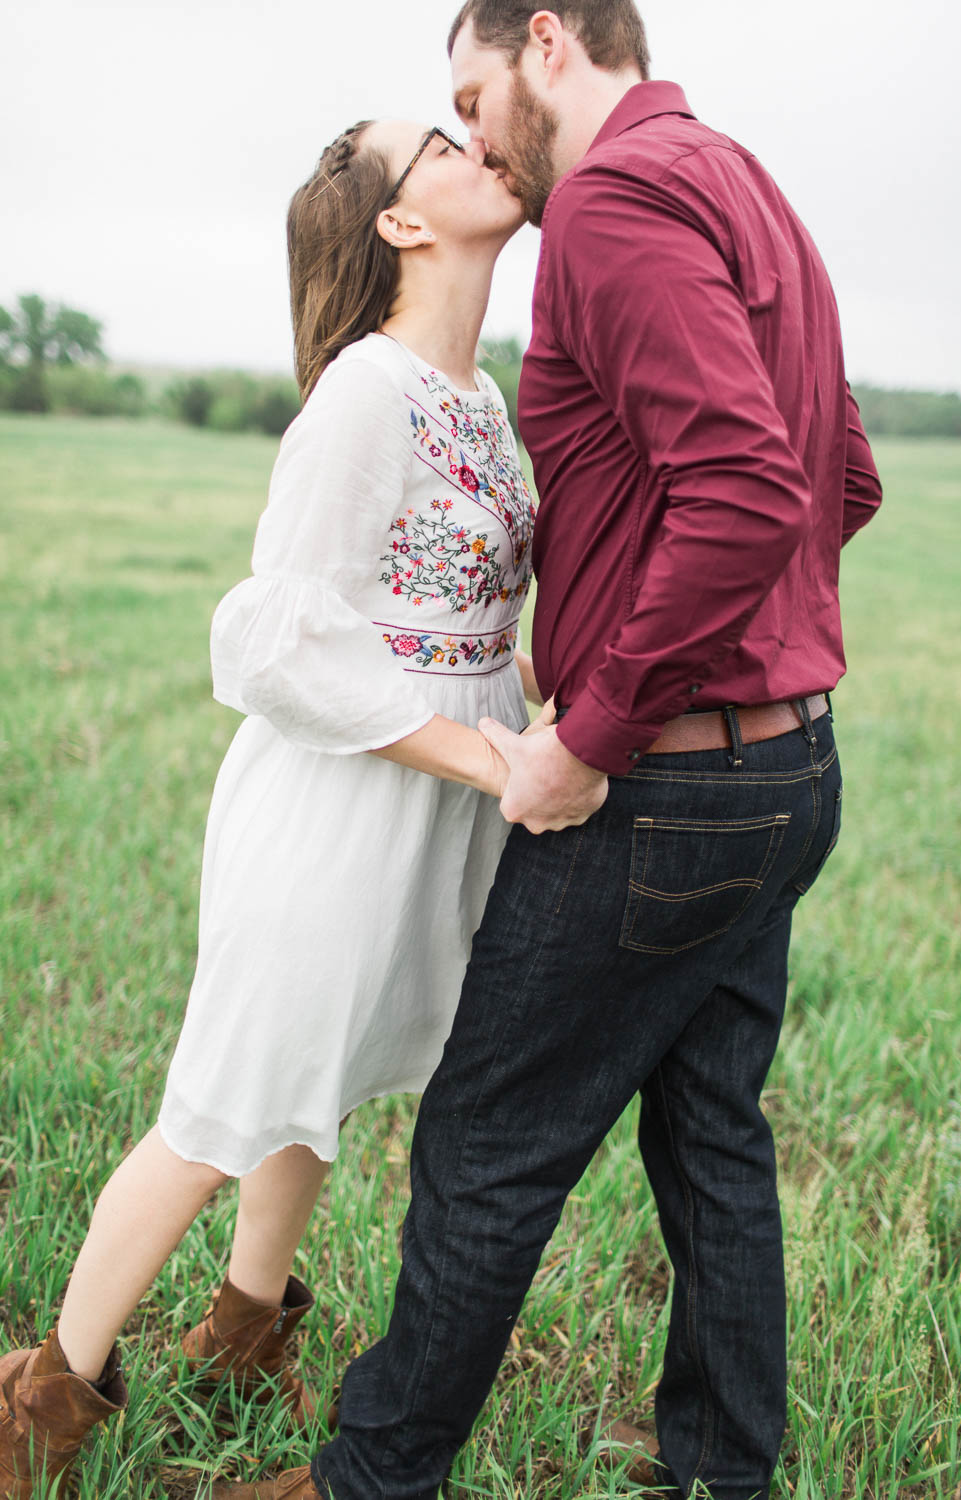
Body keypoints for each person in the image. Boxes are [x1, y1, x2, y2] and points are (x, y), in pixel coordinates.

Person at [205, 3, 884, 1499]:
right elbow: (843, 475)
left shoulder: (611, 206)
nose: (475, 129)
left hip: (667, 781)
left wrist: (601, 723)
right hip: (789, 768)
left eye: (472, 91)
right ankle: (722, 1469)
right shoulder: (747, 183)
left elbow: (751, 487)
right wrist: (741, 649)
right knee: (710, 1132)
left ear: (551, 42)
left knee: (487, 1141)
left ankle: (366, 1480)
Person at [0, 118, 539, 1500]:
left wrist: (533, 724)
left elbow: (472, 623)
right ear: (401, 223)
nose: (482, 144)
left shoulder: (479, 396)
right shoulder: (364, 393)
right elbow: (274, 646)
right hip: (337, 808)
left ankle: (242, 1338)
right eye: (442, 143)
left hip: (438, 808)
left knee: (320, 1081)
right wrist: (490, 761)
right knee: (224, 1101)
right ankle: (45, 1396)